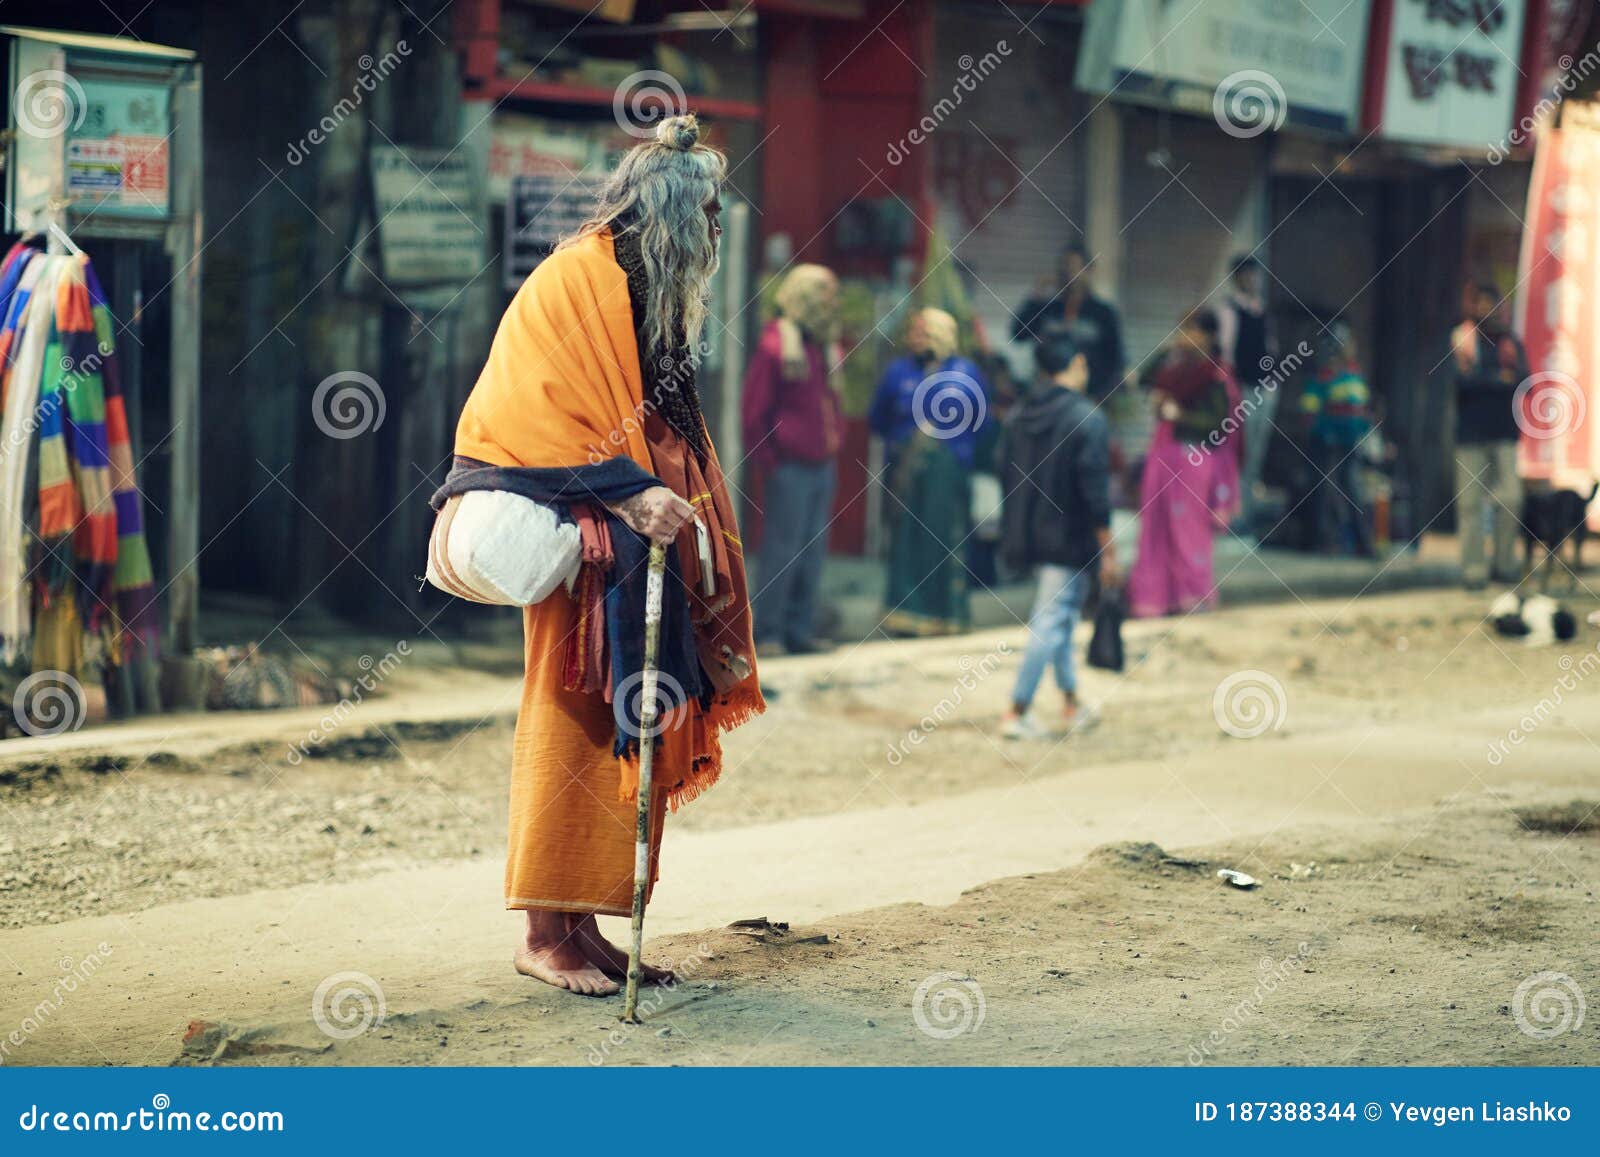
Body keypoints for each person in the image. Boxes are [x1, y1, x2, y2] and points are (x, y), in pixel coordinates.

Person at [441, 115, 764, 997]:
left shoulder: (641, 286)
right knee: (570, 717)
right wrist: (630, 488)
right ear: (665, 212)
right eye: (706, 210)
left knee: (634, 722)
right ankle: (543, 932)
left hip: (634, 548)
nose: (716, 228)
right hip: (582, 542)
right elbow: (522, 420)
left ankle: (585, 927)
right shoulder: (581, 278)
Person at [996, 336, 1116, 739]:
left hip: (1029, 534)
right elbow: (1095, 490)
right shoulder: (1088, 418)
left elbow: (1004, 473)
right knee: (1049, 622)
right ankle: (1017, 710)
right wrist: (1108, 547)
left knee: (1061, 619)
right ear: (1078, 362)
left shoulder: (1021, 414)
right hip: (1071, 539)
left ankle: (1070, 702)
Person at [868, 308, 989, 636]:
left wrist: (955, 454)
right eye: (914, 332)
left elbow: (983, 425)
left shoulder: (967, 373)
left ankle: (946, 615)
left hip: (948, 474)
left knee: (943, 541)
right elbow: (877, 419)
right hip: (907, 470)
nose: (915, 338)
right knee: (906, 541)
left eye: (924, 332)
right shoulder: (898, 372)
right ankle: (906, 615)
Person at [741, 264, 842, 655]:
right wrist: (772, 461)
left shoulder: (822, 345)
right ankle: (768, 634)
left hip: (822, 465)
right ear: (805, 296)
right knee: (782, 552)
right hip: (790, 467)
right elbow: (753, 414)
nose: (833, 302)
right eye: (826, 293)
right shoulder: (775, 346)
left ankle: (799, 631)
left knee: (813, 551)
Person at [1127, 308, 1242, 618]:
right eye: (1180, 329)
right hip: (1163, 456)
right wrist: (1167, 349)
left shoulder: (1215, 375)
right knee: (1156, 529)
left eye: (1189, 329)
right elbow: (1140, 380)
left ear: (1208, 335)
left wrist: (1179, 416)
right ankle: (1158, 599)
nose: (1183, 336)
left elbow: (1219, 423)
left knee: (1186, 531)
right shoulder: (1176, 371)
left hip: (1193, 460)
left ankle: (1193, 596)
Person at [1451, 281, 1526, 589]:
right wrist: (1498, 380)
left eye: (1492, 303)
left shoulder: (1511, 343)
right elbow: (1460, 382)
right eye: (1481, 303)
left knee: (1511, 498)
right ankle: (1473, 571)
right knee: (1469, 504)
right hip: (1470, 436)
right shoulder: (1463, 339)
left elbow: (1525, 380)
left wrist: (1486, 380)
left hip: (1505, 434)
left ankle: (1504, 564)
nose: (1487, 309)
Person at [1299, 323, 1375, 557]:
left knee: (1351, 490)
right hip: (1327, 443)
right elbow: (1310, 411)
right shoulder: (1324, 377)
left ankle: (1361, 543)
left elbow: (1360, 410)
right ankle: (1321, 541)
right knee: (1324, 491)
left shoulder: (1353, 374)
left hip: (1349, 443)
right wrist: (1324, 432)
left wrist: (1364, 431)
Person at [1013, 245, 1126, 401]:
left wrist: (1102, 396)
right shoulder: (1047, 308)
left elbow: (1116, 361)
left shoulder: (1103, 313)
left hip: (1089, 398)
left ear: (1089, 271)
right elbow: (1018, 334)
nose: (1071, 275)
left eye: (1076, 268)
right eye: (1066, 268)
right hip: (1048, 397)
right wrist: (1035, 296)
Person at [1215, 255, 1277, 522]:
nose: (1253, 280)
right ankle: (1232, 517)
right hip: (1241, 391)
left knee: (1255, 456)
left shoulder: (1262, 311)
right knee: (1237, 453)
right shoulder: (1228, 311)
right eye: (1247, 274)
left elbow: (1272, 349)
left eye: (1256, 275)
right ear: (1237, 278)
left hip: (1264, 391)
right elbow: (1225, 355)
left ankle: (1246, 517)